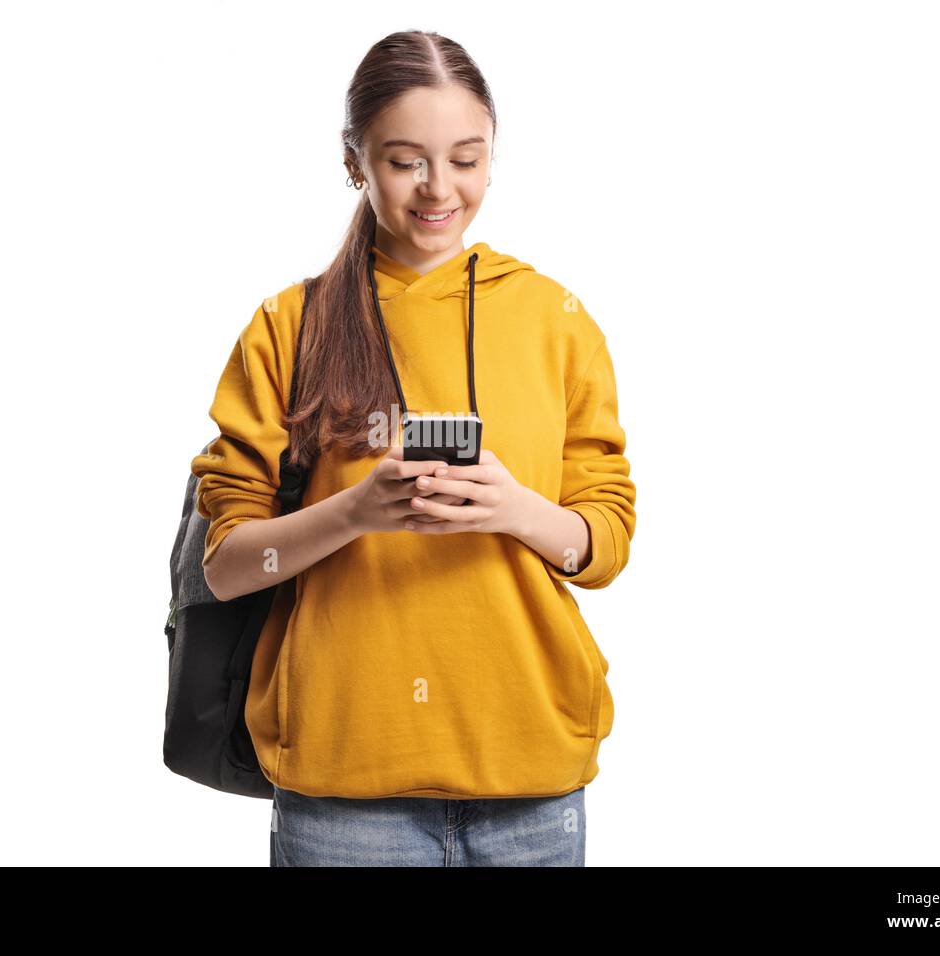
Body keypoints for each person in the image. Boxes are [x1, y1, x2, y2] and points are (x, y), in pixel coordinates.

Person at [191, 30, 636, 866]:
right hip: (342, 786)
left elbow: (604, 544)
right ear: (354, 161)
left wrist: (517, 511)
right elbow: (226, 568)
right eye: (406, 162)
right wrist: (356, 511)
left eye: (466, 159)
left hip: (532, 775)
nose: (439, 188)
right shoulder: (289, 327)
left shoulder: (556, 320)